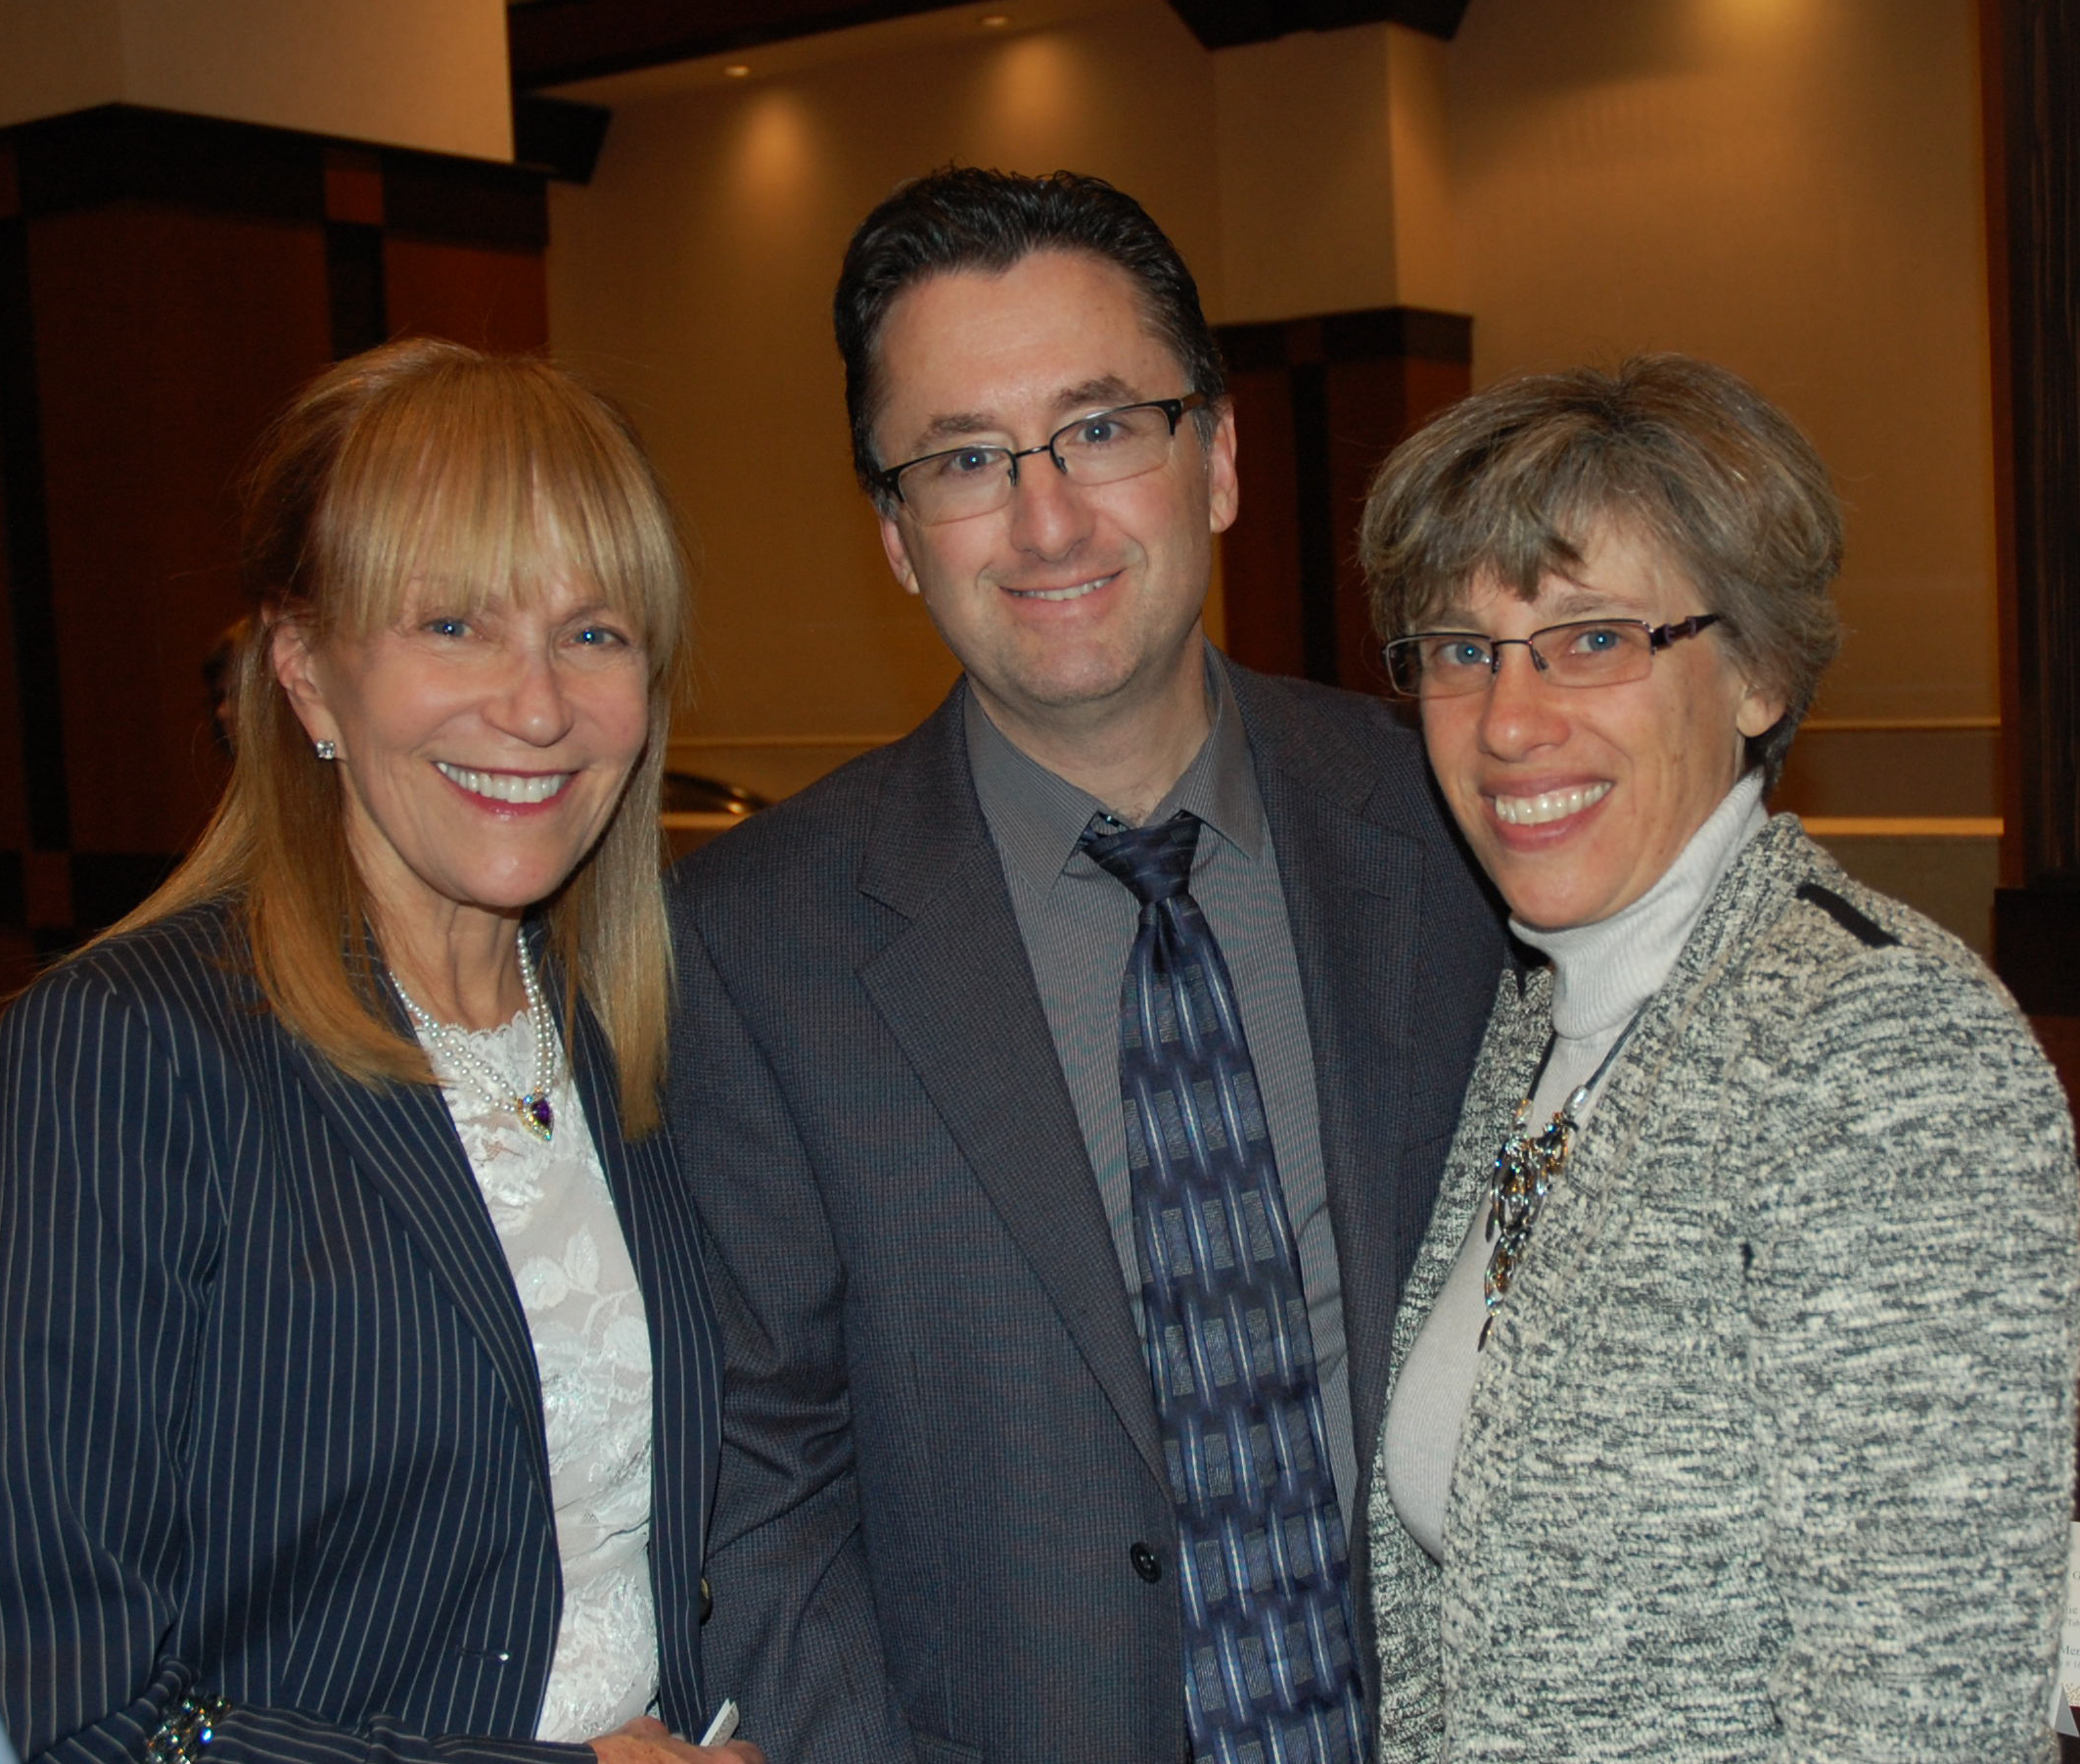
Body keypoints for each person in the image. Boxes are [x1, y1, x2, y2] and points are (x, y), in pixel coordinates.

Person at [668, 165, 1504, 1763]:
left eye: (1103, 426)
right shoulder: (756, 943)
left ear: (1220, 458)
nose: (1046, 517)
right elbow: (755, 1477)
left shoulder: (1451, 827)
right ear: (898, 537)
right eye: (964, 458)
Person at [0, 339, 761, 1764]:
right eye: (455, 626)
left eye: (593, 631)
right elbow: (72, 1718)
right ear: (304, 673)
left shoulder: (629, 1034)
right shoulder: (127, 1054)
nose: (535, 707)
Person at [1358, 354, 2079, 1761]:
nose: (1508, 720)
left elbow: (1917, 1718)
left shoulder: (1878, 1057)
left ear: (1753, 671)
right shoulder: (1543, 1009)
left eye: (1591, 637)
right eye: (1460, 648)